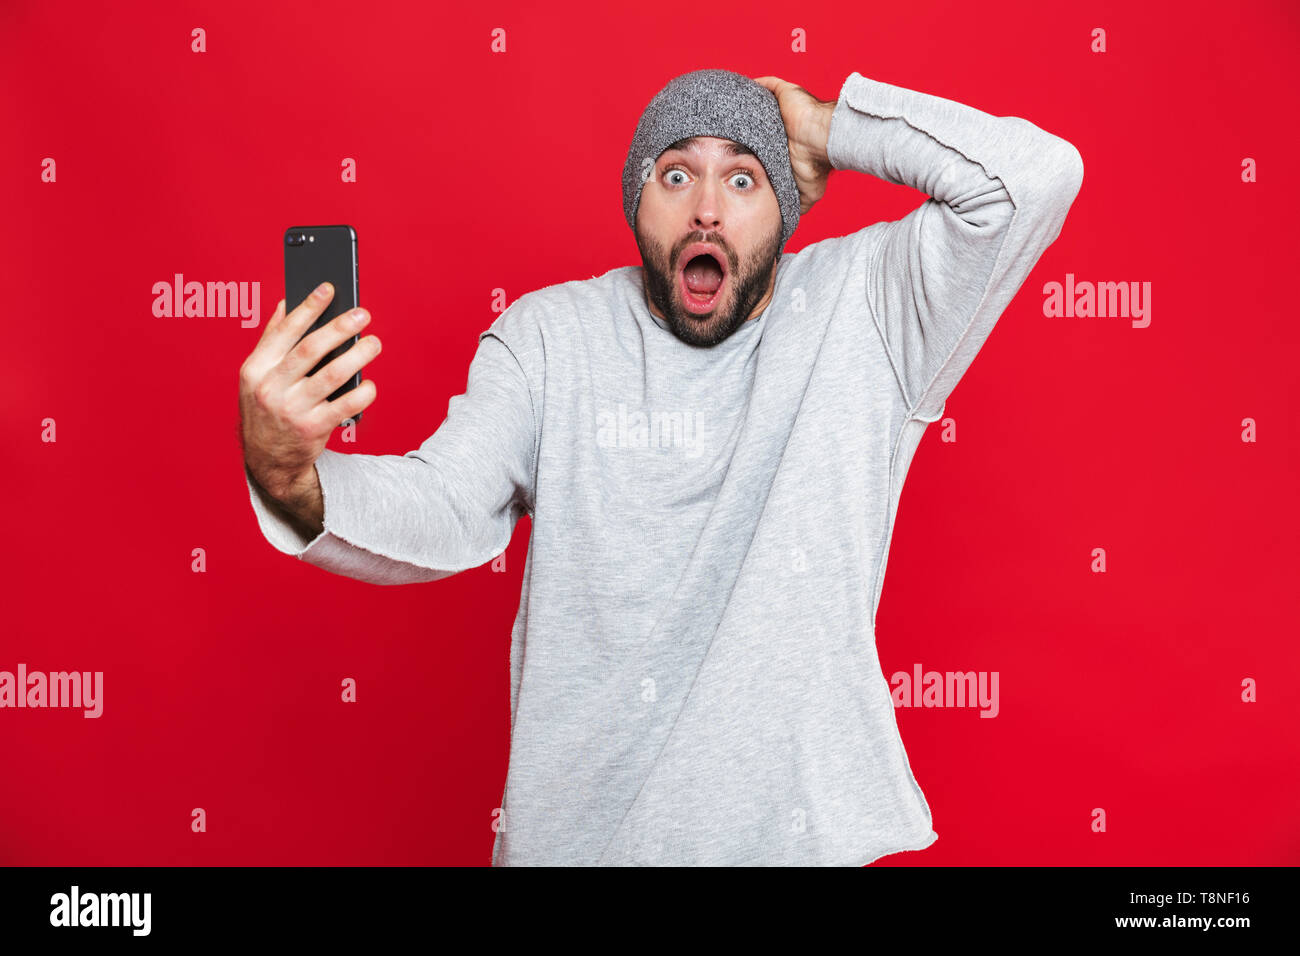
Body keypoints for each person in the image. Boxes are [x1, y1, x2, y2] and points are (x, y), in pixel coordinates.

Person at [239, 68, 1084, 866]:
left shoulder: (866, 306)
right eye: (675, 175)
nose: (708, 210)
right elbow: (448, 506)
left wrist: (831, 126)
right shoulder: (549, 338)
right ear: (636, 202)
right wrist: (288, 477)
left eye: (745, 179)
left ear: (788, 208)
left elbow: (1035, 176)